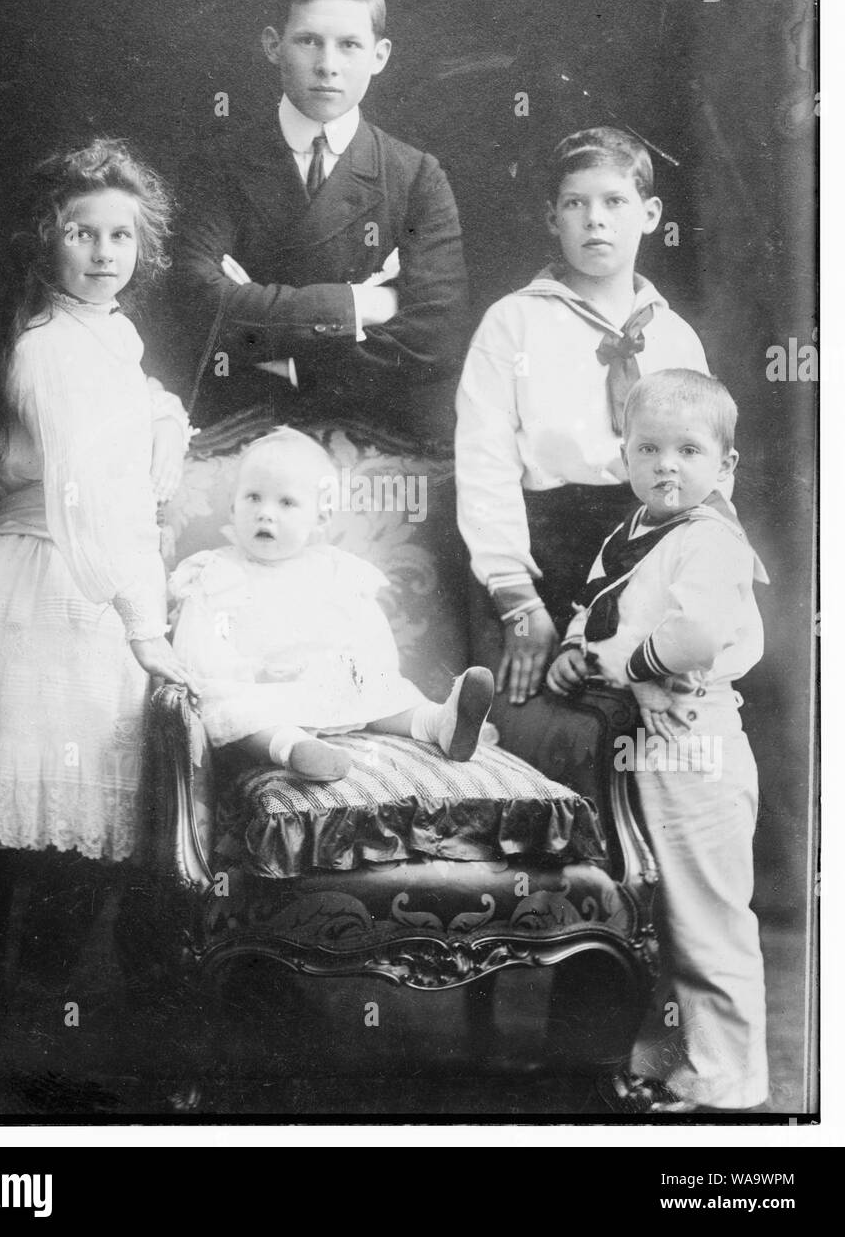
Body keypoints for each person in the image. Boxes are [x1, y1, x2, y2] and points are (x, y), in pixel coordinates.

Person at [0, 138, 197, 1010]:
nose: (104, 253)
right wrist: (143, 624)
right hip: (43, 587)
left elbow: (132, 425)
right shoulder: (43, 343)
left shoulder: (114, 336)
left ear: (142, 249)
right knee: (15, 820)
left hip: (93, 588)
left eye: (122, 237)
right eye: (83, 233)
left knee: (75, 827)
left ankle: (34, 1022)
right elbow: (83, 497)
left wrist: (164, 419)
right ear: (48, 238)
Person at [547, 369, 769, 1113]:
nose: (666, 465)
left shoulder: (711, 540)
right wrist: (577, 651)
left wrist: (632, 668)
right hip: (644, 749)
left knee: (707, 920)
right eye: (648, 449)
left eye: (687, 450)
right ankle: (671, 1063)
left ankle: (727, 1084)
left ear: (724, 466)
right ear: (625, 456)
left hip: (695, 740)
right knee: (662, 915)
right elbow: (598, 614)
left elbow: (695, 633)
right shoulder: (629, 532)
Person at [455, 126, 714, 708]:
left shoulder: (675, 338)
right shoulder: (513, 324)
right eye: (576, 204)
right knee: (569, 714)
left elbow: (711, 470)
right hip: (549, 557)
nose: (595, 220)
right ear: (553, 219)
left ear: (650, 214)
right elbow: (484, 465)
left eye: (614, 202)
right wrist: (518, 602)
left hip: (653, 553)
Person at [166, 0, 470, 443]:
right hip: (241, 426)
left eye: (350, 45)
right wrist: (360, 305)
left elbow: (435, 340)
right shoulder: (217, 168)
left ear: (380, 55)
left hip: (374, 433)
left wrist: (282, 361)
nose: (328, 65)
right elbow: (196, 307)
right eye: (309, 40)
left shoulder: (415, 177)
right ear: (273, 45)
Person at [169, 428, 494, 783]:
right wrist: (250, 671)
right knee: (233, 710)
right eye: (252, 498)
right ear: (232, 507)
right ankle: (295, 750)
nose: (265, 514)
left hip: (326, 685)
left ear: (320, 518)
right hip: (257, 690)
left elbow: (371, 637)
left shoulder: (337, 571)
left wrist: (353, 669)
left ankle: (439, 723)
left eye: (286, 502)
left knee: (384, 689)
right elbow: (199, 649)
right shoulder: (218, 573)